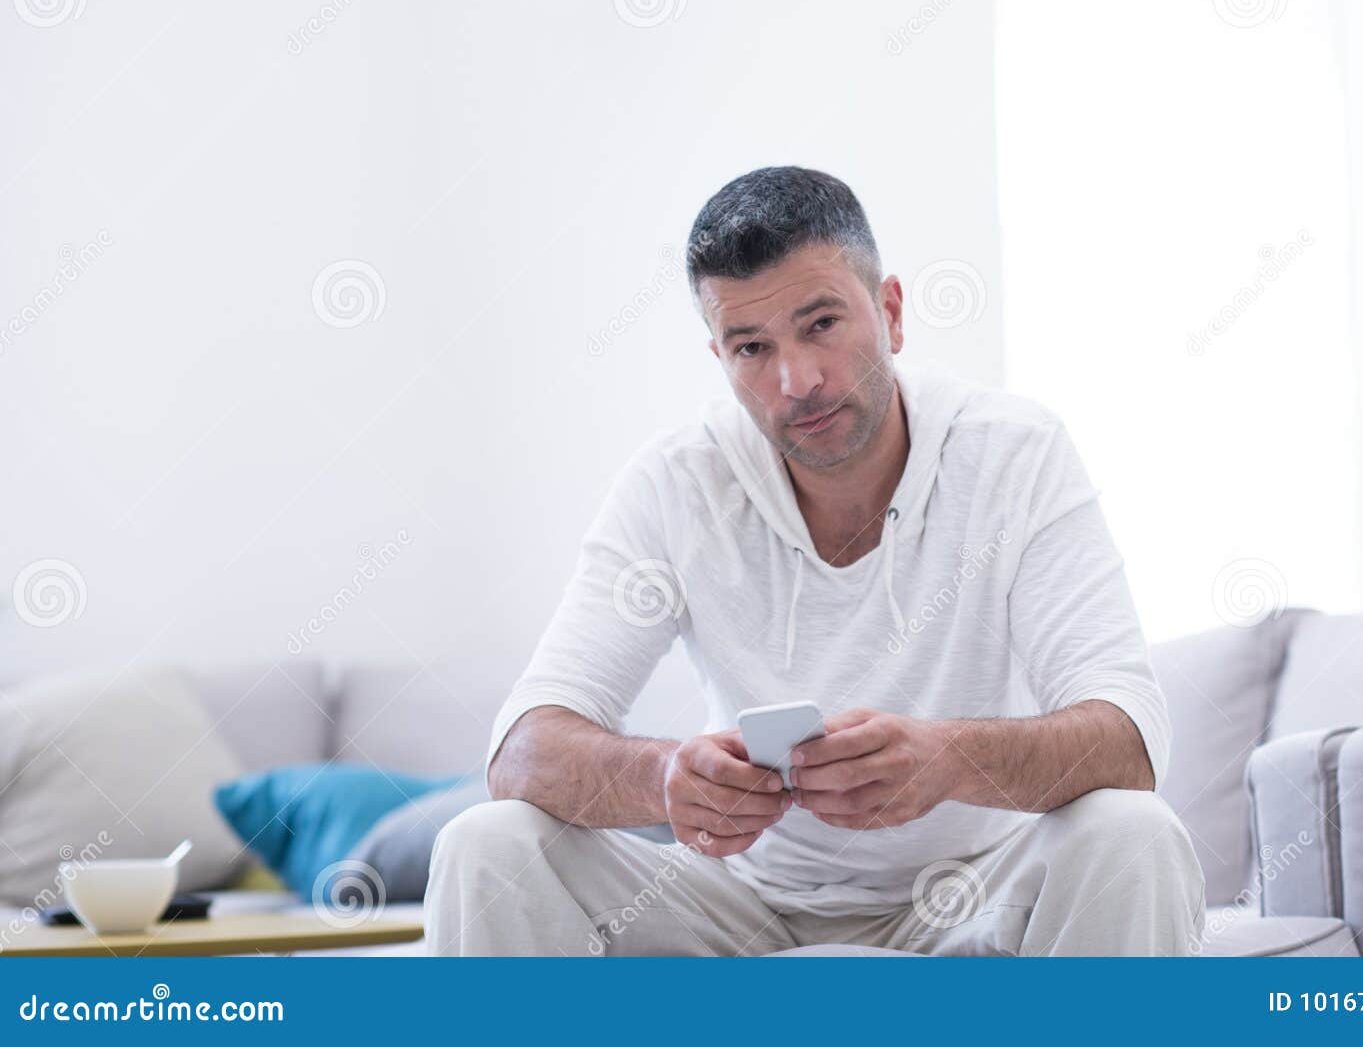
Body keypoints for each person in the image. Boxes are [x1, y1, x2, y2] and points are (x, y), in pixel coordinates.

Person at [424, 166, 1204, 955]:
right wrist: (664, 779)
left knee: (1133, 832)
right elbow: (522, 752)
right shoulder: (677, 483)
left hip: (974, 900)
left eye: (822, 323)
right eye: (752, 347)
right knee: (486, 844)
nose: (797, 381)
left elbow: (1129, 740)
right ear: (719, 357)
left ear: (891, 313)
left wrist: (945, 760)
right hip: (743, 916)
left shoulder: (1015, 453)